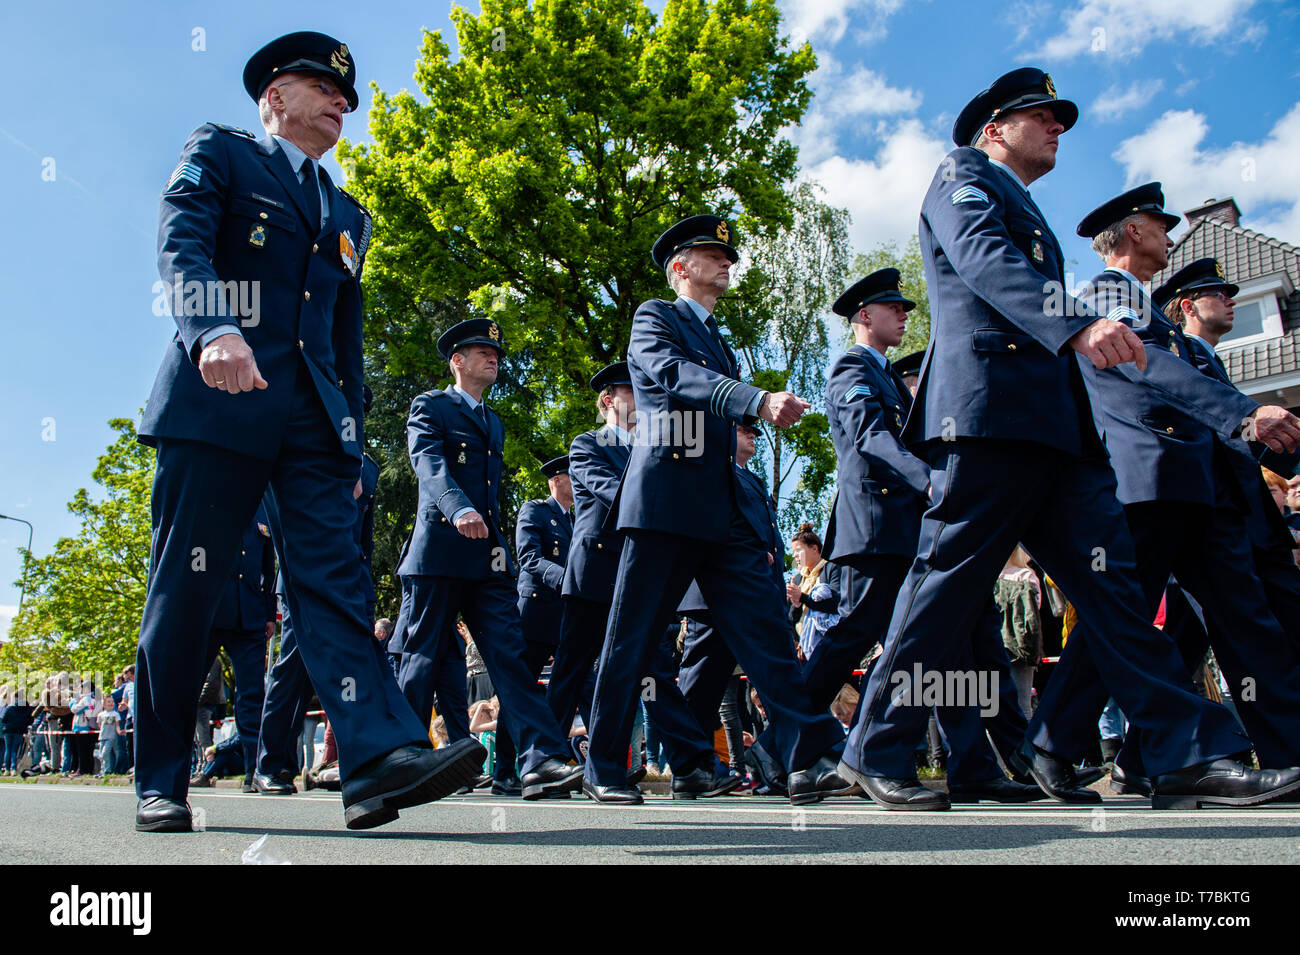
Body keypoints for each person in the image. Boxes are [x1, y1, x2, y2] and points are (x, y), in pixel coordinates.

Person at [838, 67, 1300, 811]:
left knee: (1115, 593)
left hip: (1056, 437)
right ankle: (874, 744)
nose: (1057, 127)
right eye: (1041, 116)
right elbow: (990, 265)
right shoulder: (962, 178)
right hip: (989, 422)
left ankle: (1184, 752)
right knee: (945, 585)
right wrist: (1077, 321)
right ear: (995, 128)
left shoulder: (1024, 205)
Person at [133, 30, 480, 832]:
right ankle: (160, 776)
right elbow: (182, 244)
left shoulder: (346, 210)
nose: (340, 103)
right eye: (324, 87)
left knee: (335, 588)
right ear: (273, 97)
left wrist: (353, 440)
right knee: (186, 588)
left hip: (315, 427)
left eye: (348, 97)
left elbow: (342, 337)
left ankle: (372, 764)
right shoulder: (221, 153)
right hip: (220, 397)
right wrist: (213, 329)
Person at [1033, 191, 1300, 794]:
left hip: (1196, 488)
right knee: (1122, 623)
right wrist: (1242, 413)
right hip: (1147, 485)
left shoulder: (1138, 303)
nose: (1171, 236)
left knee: (1243, 621)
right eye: (1160, 225)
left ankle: (1281, 749)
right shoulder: (1105, 298)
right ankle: (1056, 741)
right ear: (1131, 230)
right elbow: (1148, 366)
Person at [583, 215, 848, 805]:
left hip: (721, 509)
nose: (726, 261)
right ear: (680, 267)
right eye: (711, 253)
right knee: (632, 638)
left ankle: (811, 755)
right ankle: (603, 764)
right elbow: (675, 376)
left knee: (766, 634)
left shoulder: (721, 340)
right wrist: (754, 397)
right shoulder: (656, 317)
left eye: (727, 254)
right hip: (665, 504)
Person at [817, 268, 1040, 804]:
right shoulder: (852, 366)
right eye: (895, 309)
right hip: (876, 531)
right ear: (865, 316)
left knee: (949, 647)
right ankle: (798, 742)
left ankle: (974, 765)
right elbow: (871, 439)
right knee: (863, 638)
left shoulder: (890, 377)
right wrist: (930, 482)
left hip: (911, 527)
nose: (904, 316)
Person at [391, 318, 582, 800]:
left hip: (487, 563)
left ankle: (541, 760)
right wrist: (458, 509)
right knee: (421, 658)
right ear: (457, 361)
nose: (492, 357)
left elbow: (493, 498)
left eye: (495, 352)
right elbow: (429, 465)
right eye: (481, 351)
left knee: (511, 658)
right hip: (438, 553)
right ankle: (397, 756)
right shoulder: (431, 406)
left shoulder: (492, 421)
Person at [1159, 258, 1300, 641]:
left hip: (1248, 518)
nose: (1231, 301)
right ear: (1188, 306)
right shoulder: (1183, 360)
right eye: (1218, 294)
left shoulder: (1210, 360)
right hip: (1222, 516)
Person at [497, 455, 573, 791]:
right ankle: (504, 771)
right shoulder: (536, 511)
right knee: (520, 689)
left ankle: (552, 761)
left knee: (574, 687)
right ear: (556, 479)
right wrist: (568, 580)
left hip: (568, 616)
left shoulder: (577, 519)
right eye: (573, 475)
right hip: (536, 613)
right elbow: (529, 558)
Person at [203, 507, 277, 790]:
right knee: (187, 689)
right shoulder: (213, 498)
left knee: (252, 696)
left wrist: (270, 613)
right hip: (212, 610)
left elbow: (268, 568)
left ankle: (254, 771)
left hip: (250, 614)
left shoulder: (263, 511)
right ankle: (173, 770)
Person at [786, 524, 840, 662]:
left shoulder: (831, 569)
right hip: (802, 649)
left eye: (798, 550)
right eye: (793, 552)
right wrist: (796, 604)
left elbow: (837, 605)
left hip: (829, 644)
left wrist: (803, 597)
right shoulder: (798, 578)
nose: (795, 556)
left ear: (814, 548)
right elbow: (791, 619)